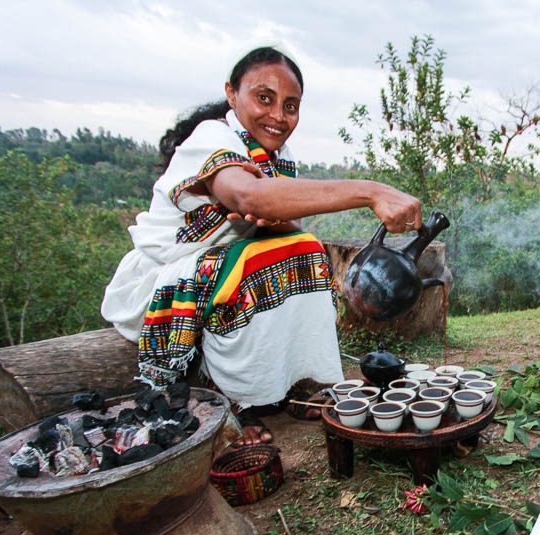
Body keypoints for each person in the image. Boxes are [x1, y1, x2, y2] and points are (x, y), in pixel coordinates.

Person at [101, 46, 421, 446]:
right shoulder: (212, 137)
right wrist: (370, 191)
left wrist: (272, 216)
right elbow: (250, 197)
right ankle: (236, 401)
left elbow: (287, 222)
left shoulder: (276, 157)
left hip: (222, 273)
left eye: (291, 105)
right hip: (167, 286)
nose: (278, 116)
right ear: (232, 95)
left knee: (304, 250)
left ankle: (286, 384)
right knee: (262, 259)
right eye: (264, 98)